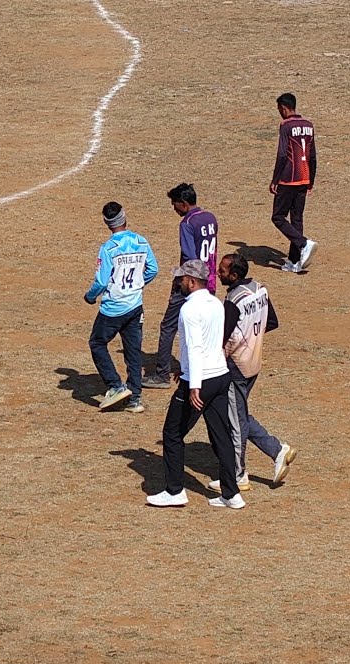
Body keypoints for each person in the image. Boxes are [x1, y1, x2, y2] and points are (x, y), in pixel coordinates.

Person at [146, 259, 243, 509]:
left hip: (201, 380)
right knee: (222, 436)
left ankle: (175, 490)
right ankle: (231, 494)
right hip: (220, 376)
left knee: (172, 433)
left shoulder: (189, 310)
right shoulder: (216, 304)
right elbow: (211, 342)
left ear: (191, 282)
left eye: (181, 279)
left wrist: (194, 384)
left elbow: (196, 347)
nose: (178, 282)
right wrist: (184, 368)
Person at [211, 253, 298, 492]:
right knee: (239, 415)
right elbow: (272, 322)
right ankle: (277, 449)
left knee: (236, 421)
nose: (219, 273)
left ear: (234, 275)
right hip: (254, 362)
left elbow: (223, 337)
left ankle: (238, 474)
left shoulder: (232, 300)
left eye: (223, 270)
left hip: (236, 366)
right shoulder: (260, 289)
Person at [84, 202, 158, 413]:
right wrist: (138, 283)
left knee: (97, 343)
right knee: (133, 351)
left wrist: (90, 297)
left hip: (113, 308)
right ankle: (135, 397)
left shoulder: (108, 249)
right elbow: (153, 269)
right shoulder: (141, 241)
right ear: (125, 218)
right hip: (135, 305)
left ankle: (116, 386)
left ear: (107, 224)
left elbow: (100, 281)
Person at [144, 183, 218, 390]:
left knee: (169, 326)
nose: (174, 208)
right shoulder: (210, 218)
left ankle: (161, 375)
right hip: (210, 280)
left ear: (184, 203)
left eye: (175, 204)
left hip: (191, 283)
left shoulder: (187, 223)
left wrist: (180, 282)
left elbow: (189, 257)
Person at [271, 92, 319, 273]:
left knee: (277, 217)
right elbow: (312, 156)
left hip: (288, 178)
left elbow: (283, 154)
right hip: (304, 177)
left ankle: (304, 243)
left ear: (283, 108)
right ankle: (294, 261)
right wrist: (310, 181)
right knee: (296, 218)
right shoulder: (308, 125)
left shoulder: (285, 125)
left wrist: (275, 180)